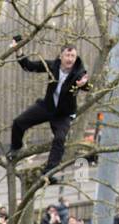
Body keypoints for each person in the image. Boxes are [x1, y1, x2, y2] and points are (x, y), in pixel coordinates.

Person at [8, 40, 90, 177]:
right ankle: (15, 149)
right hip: (47, 106)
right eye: (67, 56)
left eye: (73, 57)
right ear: (61, 56)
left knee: (59, 139)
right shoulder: (52, 66)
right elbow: (29, 66)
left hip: (63, 114)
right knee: (18, 122)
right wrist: (19, 51)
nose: (70, 59)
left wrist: (83, 85)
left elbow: (87, 85)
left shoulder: (79, 72)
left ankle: (49, 173)